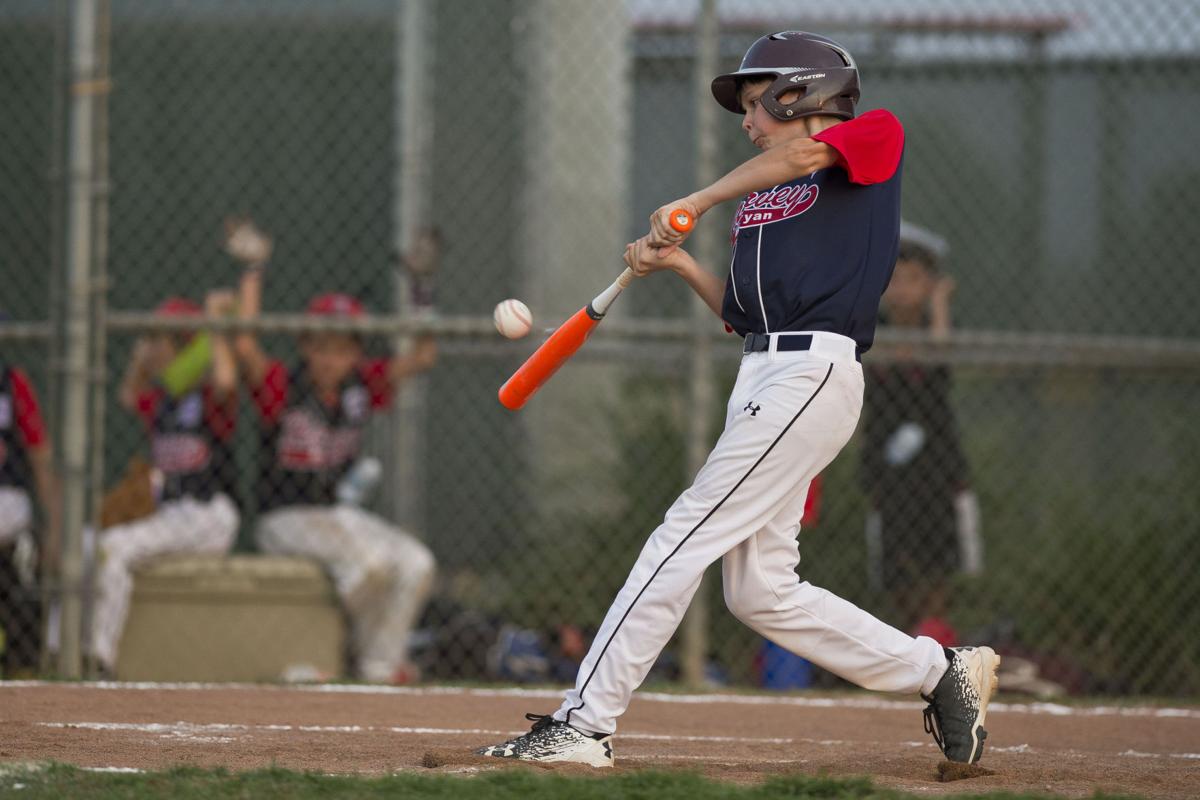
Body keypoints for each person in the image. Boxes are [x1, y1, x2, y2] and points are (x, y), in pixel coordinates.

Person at [477, 31, 998, 768]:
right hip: (764, 372)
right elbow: (743, 314)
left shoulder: (870, 135)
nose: (747, 123)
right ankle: (939, 672)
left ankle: (584, 724)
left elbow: (802, 156)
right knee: (760, 592)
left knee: (681, 536)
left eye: (756, 105)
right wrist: (681, 262)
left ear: (803, 95)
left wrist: (698, 197)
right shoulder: (767, 192)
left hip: (812, 373)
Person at [228, 219, 438, 684]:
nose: (331, 358)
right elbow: (244, 345)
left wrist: (422, 289)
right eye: (321, 346)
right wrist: (253, 271)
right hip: (283, 516)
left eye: (344, 348)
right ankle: (344, 657)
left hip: (333, 514)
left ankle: (379, 671)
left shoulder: (362, 384)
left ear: (356, 354)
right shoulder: (285, 384)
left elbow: (422, 357)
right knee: (370, 565)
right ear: (304, 345)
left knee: (416, 563)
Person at [89, 293, 241, 675]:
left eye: (160, 340)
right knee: (87, 540)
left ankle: (96, 658)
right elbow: (129, 393)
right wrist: (143, 355)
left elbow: (224, 378)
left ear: (184, 347)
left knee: (111, 547)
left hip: (209, 514)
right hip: (173, 513)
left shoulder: (208, 398)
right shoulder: (162, 401)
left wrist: (213, 323)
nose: (150, 348)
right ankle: (58, 652)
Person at [862, 221, 983, 643]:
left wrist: (939, 306)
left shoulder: (937, 327)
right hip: (888, 470)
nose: (902, 289)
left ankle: (934, 640)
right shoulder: (870, 325)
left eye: (914, 280)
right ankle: (904, 644)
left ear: (930, 285)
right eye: (893, 279)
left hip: (937, 470)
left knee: (938, 567)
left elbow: (939, 362)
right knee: (897, 570)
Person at [0, 351, 60, 674]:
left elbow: (41, 455)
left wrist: (55, 527)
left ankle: (24, 662)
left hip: (7, 494)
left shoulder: (12, 383)